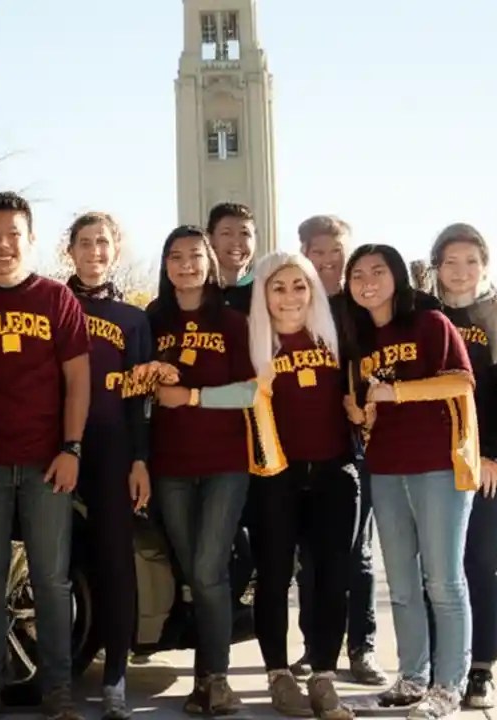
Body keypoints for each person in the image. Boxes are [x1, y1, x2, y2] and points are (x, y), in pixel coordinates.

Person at [174, 252, 359, 719]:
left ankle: (323, 676)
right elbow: (239, 395)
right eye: (278, 287)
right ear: (263, 294)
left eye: (300, 285)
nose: (290, 296)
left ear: (313, 288)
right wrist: (191, 395)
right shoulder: (254, 341)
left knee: (332, 578)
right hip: (275, 475)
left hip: (335, 473)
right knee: (274, 577)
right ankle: (278, 675)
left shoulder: (336, 335)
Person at [0, 191, 90, 720]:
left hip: (46, 463)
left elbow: (78, 380)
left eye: (13, 234)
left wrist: (71, 447)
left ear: (30, 240)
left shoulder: (57, 299)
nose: (3, 244)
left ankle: (58, 690)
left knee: (52, 579)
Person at [339, 244, 478, 720]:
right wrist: (359, 408)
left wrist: (394, 391)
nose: (367, 280)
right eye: (357, 274)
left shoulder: (429, 323)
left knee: (442, 581)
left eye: (378, 271)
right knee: (400, 584)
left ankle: (448, 686)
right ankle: (413, 677)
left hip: (438, 466)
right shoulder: (359, 338)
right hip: (386, 468)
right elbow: (364, 410)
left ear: (398, 277)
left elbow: (460, 382)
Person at [429, 223, 497, 709]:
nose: (461, 271)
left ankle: (481, 669)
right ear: (437, 267)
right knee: (438, 567)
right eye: (451, 261)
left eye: (471, 261)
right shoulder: (424, 316)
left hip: (489, 460)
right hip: (432, 459)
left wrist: (495, 453)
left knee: (481, 562)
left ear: (485, 266)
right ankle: (442, 664)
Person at [147, 224, 252, 716]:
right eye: (175, 256)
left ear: (209, 262)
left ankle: (216, 679)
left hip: (224, 465)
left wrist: (191, 396)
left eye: (194, 255)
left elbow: (253, 392)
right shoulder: (152, 319)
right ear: (165, 266)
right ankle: (202, 680)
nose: (185, 265)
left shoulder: (232, 322)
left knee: (209, 569)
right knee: (193, 572)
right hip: (169, 466)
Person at [63, 212, 156, 719]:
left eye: (102, 243)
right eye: (84, 243)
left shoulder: (133, 319)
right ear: (69, 250)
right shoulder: (53, 305)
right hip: (55, 445)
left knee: (114, 561)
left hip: (114, 447)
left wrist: (140, 458)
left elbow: (141, 399)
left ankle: (116, 677)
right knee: (52, 562)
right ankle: (56, 674)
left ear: (115, 250)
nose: (94, 252)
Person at [291, 215, 387, 686]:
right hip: (307, 452)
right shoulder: (294, 307)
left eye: (337, 253)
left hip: (357, 447)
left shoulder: (361, 309)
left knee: (357, 555)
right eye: (318, 252)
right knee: (311, 557)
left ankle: (361, 647)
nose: (328, 261)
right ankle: (315, 647)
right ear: (303, 254)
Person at [207, 203, 257, 314]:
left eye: (244, 233)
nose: (236, 242)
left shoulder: (264, 292)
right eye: (226, 233)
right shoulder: (197, 294)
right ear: (210, 239)